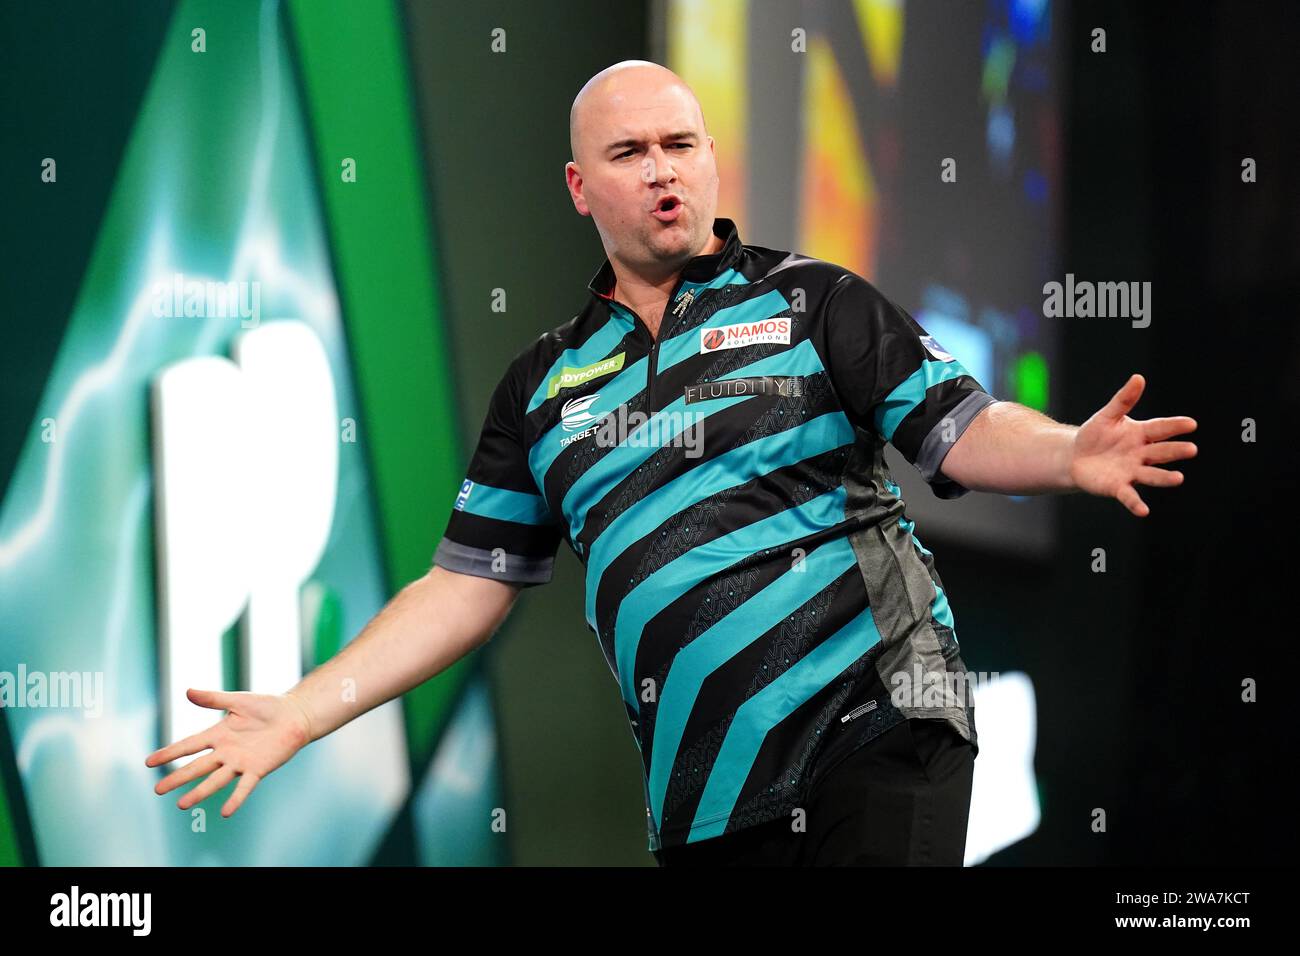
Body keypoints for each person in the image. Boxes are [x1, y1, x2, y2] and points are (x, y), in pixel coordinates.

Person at [145, 60, 1198, 866]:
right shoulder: (541, 386)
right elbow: (464, 587)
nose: (664, 171)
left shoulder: (809, 301)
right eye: (631, 152)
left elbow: (957, 428)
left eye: (682, 144)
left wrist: (1070, 452)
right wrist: (299, 708)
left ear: (710, 160)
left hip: (881, 716)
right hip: (706, 793)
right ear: (577, 186)